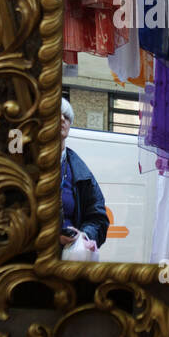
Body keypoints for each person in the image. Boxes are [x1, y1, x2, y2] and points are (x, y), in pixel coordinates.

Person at [59, 98, 109, 251]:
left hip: (68, 263)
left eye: (66, 117)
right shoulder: (26, 165)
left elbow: (98, 218)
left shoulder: (80, 171)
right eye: (56, 114)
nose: (62, 119)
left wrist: (84, 236)